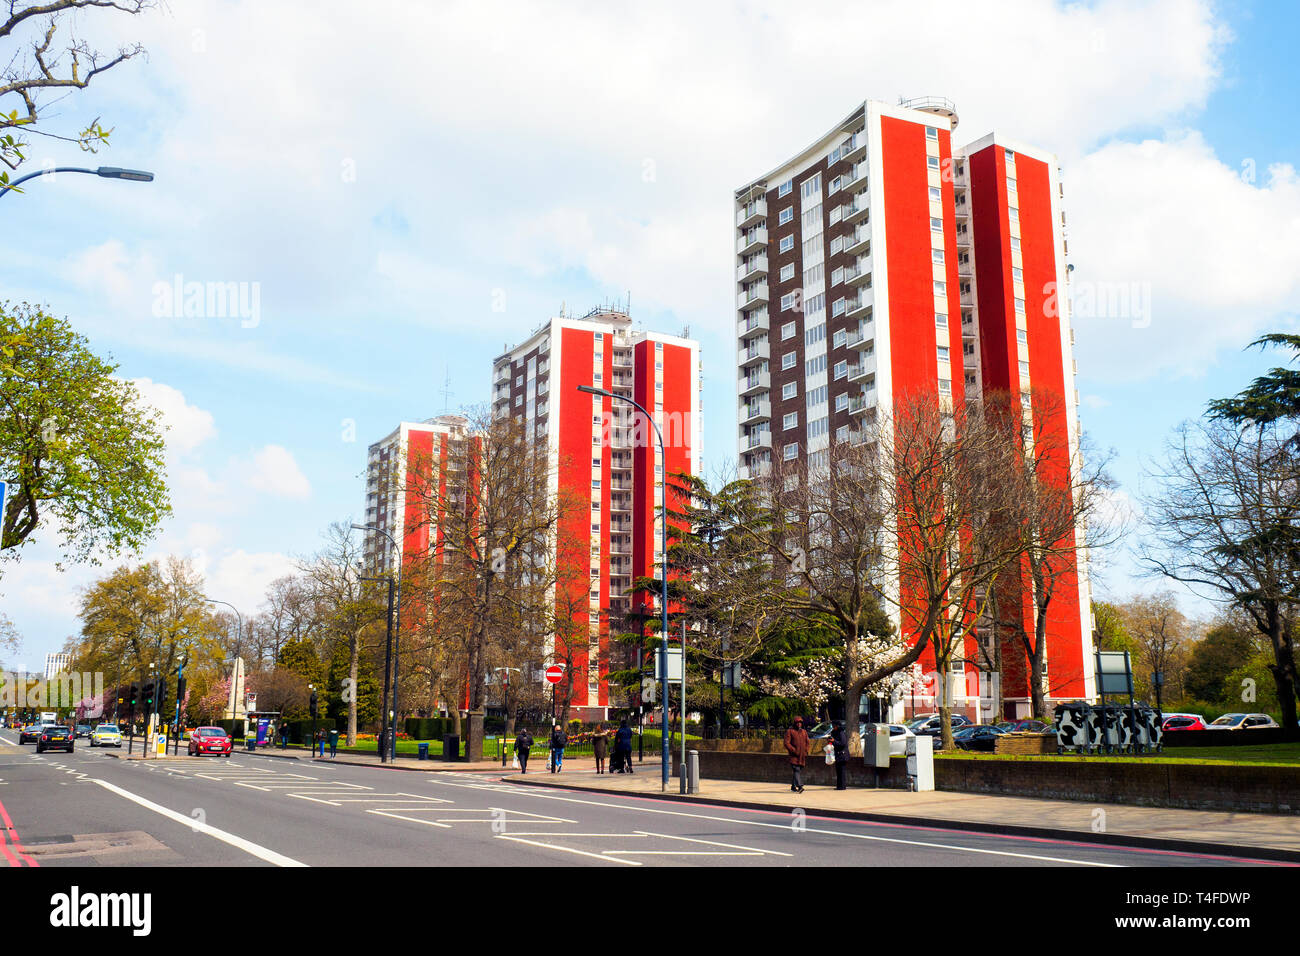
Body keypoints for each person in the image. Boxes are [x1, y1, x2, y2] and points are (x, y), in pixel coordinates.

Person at [784, 716, 810, 794]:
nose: (799, 724)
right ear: (795, 723)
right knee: (796, 769)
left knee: (798, 770)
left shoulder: (804, 732)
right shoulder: (790, 731)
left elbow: (807, 742)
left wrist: (806, 750)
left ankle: (793, 786)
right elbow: (786, 743)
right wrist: (793, 750)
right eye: (797, 723)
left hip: (802, 755)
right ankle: (800, 786)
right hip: (794, 755)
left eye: (800, 723)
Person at [830, 720, 849, 791]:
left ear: (837, 726)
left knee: (842, 771)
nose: (833, 727)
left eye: (834, 726)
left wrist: (833, 741)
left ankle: (842, 786)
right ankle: (839, 786)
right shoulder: (835, 733)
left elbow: (843, 743)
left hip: (842, 754)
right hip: (838, 754)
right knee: (838, 770)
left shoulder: (841, 733)